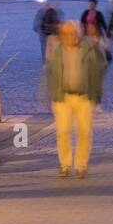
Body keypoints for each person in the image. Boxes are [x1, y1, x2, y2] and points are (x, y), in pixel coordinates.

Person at [43, 21, 106, 178]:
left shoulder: (88, 47)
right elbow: (49, 71)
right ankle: (65, 164)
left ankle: (81, 165)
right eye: (67, 34)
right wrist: (46, 94)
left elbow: (103, 63)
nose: (71, 36)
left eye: (74, 33)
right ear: (63, 36)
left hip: (84, 97)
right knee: (63, 132)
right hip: (62, 97)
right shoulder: (58, 50)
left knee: (84, 132)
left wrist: (94, 84)